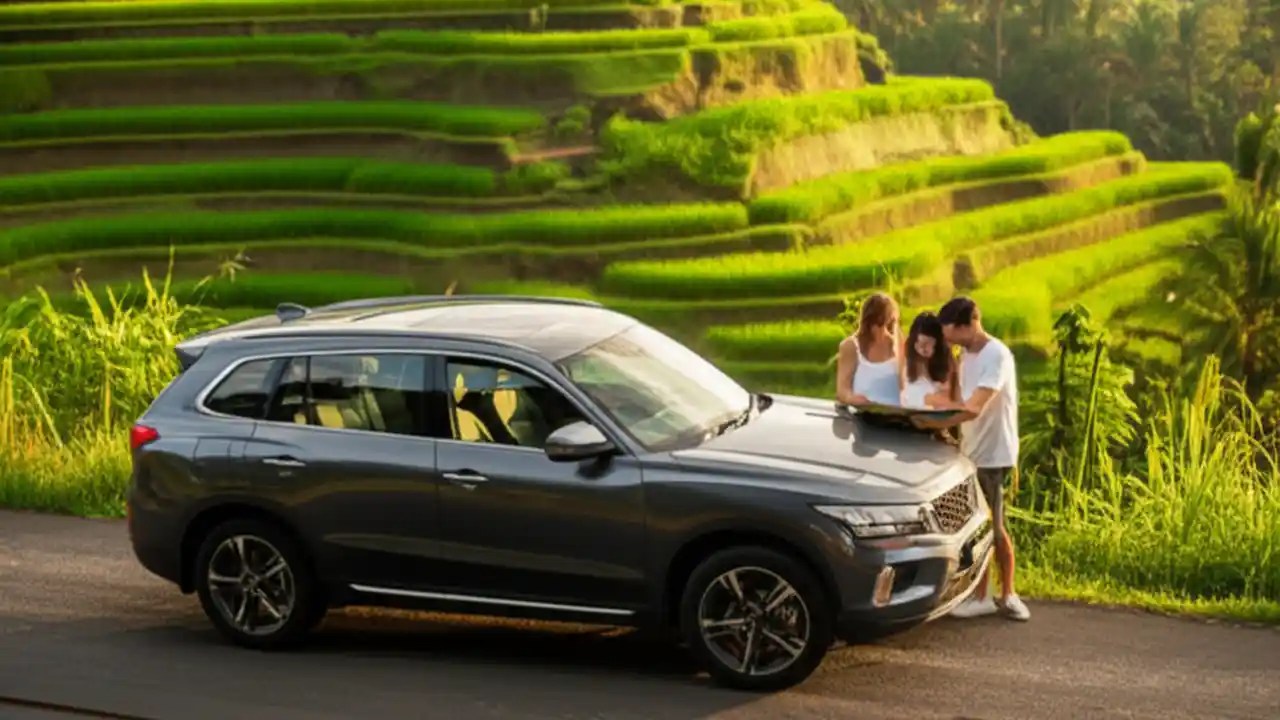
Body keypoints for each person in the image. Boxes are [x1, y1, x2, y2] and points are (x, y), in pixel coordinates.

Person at [913, 296, 1029, 622]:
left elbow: (975, 406)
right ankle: (984, 593)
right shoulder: (965, 354)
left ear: (969, 325)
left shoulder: (997, 356)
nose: (947, 341)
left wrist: (932, 424)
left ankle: (1002, 595)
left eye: (950, 334)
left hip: (993, 454)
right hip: (971, 450)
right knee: (976, 526)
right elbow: (959, 398)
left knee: (993, 525)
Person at [835, 292, 902, 408]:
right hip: (863, 416)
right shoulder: (851, 346)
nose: (878, 330)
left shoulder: (898, 344)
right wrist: (852, 398)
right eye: (875, 323)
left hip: (896, 415)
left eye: (883, 323)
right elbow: (842, 390)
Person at [900, 311, 958, 410]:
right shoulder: (908, 357)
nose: (922, 348)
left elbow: (949, 399)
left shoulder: (947, 362)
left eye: (926, 344)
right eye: (917, 343)